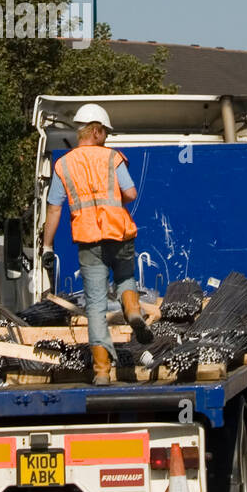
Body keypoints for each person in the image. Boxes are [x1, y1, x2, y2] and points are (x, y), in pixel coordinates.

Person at [40, 103, 150, 384]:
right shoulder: (113, 158)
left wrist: (47, 246)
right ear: (97, 131)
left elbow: (54, 208)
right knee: (125, 277)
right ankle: (133, 312)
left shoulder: (64, 164)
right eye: (106, 133)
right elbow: (130, 193)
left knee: (96, 307)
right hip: (119, 233)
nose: (107, 139)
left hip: (88, 240)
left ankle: (102, 371)